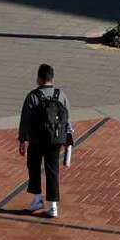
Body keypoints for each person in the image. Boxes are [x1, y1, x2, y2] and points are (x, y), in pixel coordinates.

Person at [17, 63, 72, 219]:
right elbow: (67, 119)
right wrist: (68, 139)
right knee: (52, 171)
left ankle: (37, 199)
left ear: (39, 78)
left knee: (33, 167)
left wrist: (22, 140)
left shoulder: (33, 96)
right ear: (52, 78)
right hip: (55, 140)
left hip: (36, 140)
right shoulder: (61, 95)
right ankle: (53, 206)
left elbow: (25, 120)